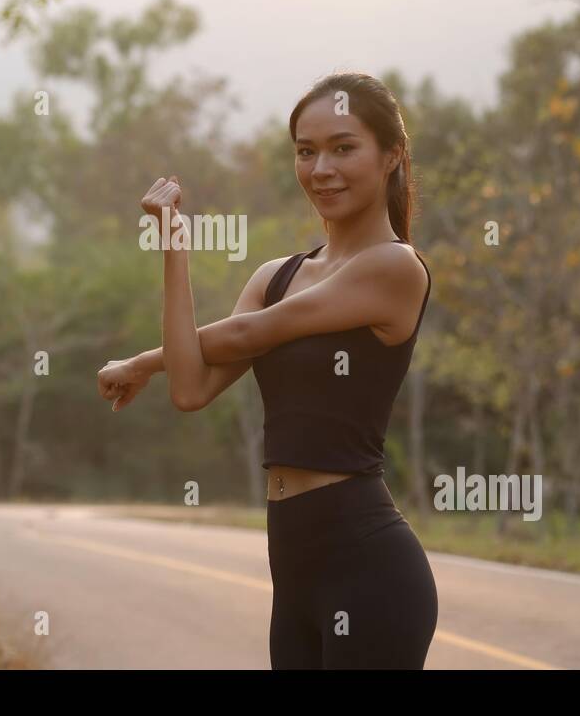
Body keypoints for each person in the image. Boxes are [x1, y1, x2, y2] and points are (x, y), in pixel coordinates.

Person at [98, 72, 437, 669]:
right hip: (293, 569)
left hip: (370, 568)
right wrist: (175, 250)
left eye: (343, 147)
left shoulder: (395, 268)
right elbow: (191, 385)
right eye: (306, 152)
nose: (321, 168)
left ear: (391, 157)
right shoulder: (275, 277)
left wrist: (136, 363)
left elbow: (249, 334)